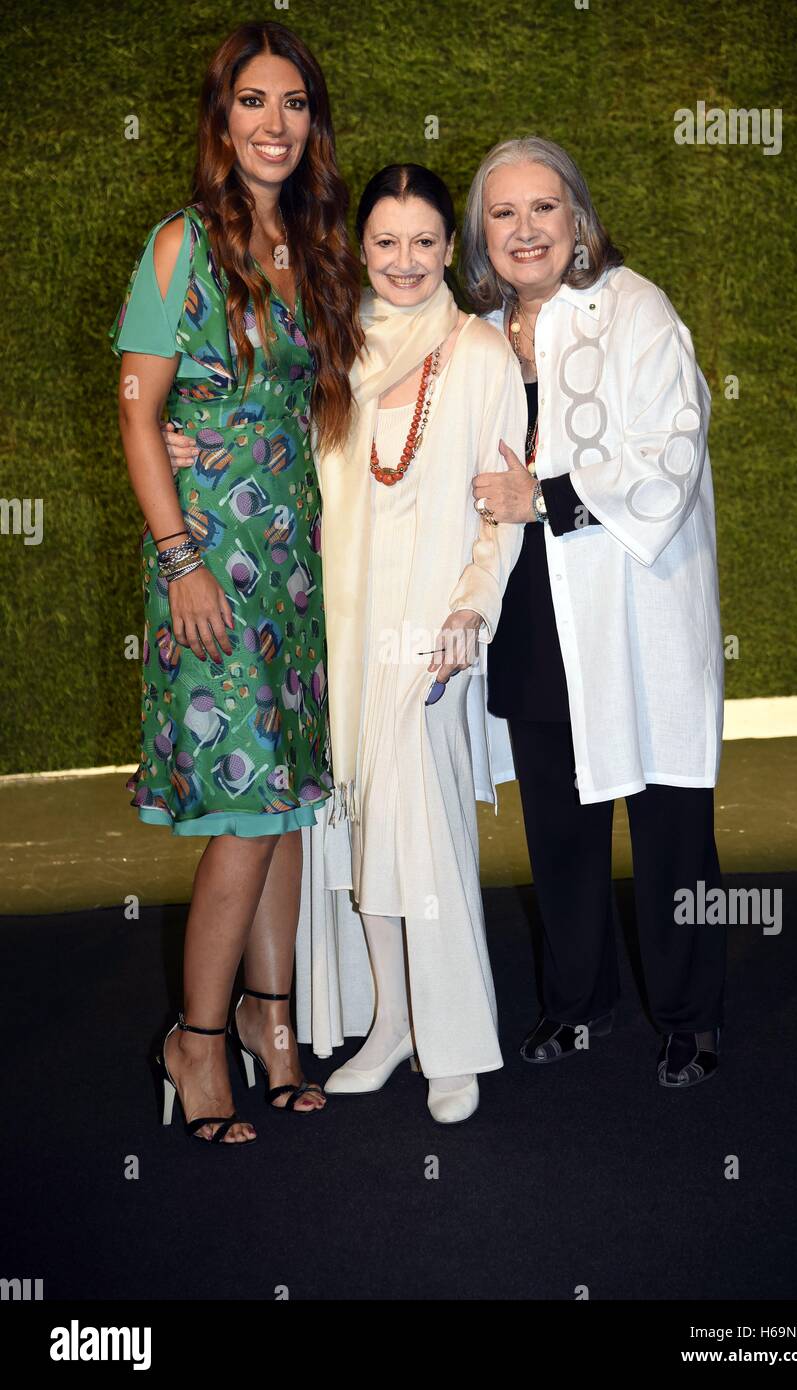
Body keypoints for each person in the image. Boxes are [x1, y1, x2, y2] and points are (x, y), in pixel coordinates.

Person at [167, 164, 527, 1124]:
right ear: (359, 249)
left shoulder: (482, 356)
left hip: (437, 632)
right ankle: (392, 1025)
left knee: (428, 827)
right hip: (340, 625)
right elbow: (273, 437)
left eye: (423, 243)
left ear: (450, 249)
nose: (404, 262)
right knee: (363, 822)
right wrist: (193, 441)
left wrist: (470, 615)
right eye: (384, 242)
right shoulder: (340, 344)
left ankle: (455, 1041)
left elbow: (504, 515)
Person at [110, 21, 363, 1143]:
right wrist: (179, 561)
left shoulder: (313, 245)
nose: (274, 124)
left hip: (291, 568)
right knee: (245, 807)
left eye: (294, 104)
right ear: (221, 120)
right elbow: (137, 412)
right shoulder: (179, 245)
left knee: (287, 802)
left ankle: (272, 1024)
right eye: (254, 103)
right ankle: (195, 1042)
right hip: (209, 562)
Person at [463, 137, 727, 1088]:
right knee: (561, 830)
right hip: (534, 611)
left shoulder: (635, 308)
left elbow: (674, 450)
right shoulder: (473, 332)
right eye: (503, 213)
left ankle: (692, 1017)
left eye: (544, 208)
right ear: (479, 234)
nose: (525, 229)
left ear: (577, 218)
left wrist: (549, 499)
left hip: (633, 601)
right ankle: (579, 1006)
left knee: (668, 825)